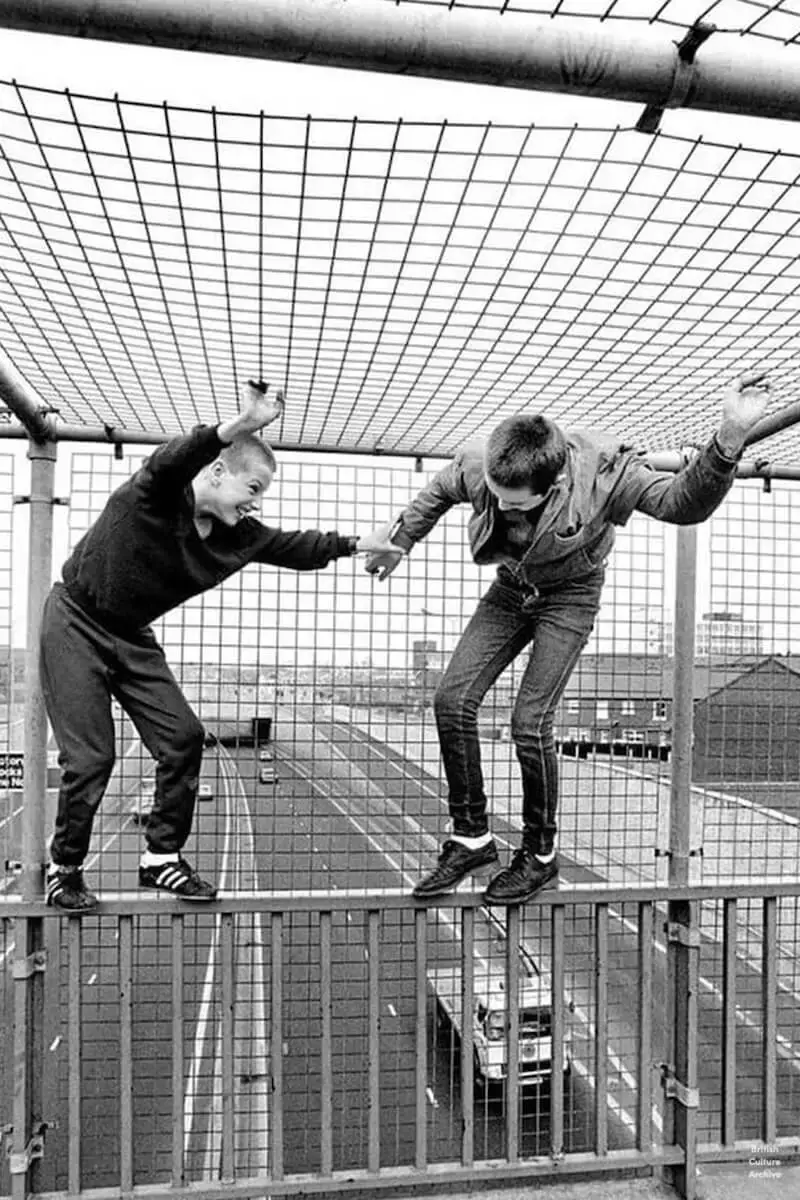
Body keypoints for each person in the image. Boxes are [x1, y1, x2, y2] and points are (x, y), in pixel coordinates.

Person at [363, 371, 771, 905]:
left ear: (553, 485)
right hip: (511, 588)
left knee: (529, 722)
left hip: (571, 595)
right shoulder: (479, 465)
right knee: (451, 699)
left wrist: (728, 440)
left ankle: (540, 855)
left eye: (517, 505)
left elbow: (682, 505)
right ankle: (471, 836)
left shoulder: (607, 473)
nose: (503, 509)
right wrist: (399, 541)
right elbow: (436, 493)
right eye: (496, 498)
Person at [42, 380, 389, 912]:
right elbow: (170, 462)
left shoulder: (237, 536)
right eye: (253, 489)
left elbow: (293, 545)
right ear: (219, 472)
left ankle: (161, 858)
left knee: (183, 737)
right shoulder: (154, 497)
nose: (255, 506)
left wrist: (354, 544)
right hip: (75, 621)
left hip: (132, 636)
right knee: (92, 757)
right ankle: (65, 870)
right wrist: (236, 427)